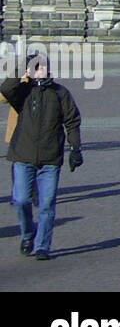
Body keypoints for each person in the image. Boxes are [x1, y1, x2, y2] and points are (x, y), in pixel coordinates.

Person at [3, 54, 83, 260]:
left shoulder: (60, 93)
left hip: (50, 158)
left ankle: (43, 246)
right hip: (23, 155)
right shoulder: (23, 92)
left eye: (44, 67)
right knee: (20, 200)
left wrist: (75, 149)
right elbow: (5, 89)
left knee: (47, 204)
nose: (42, 71)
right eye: (37, 67)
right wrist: (21, 70)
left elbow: (72, 121)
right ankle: (28, 233)